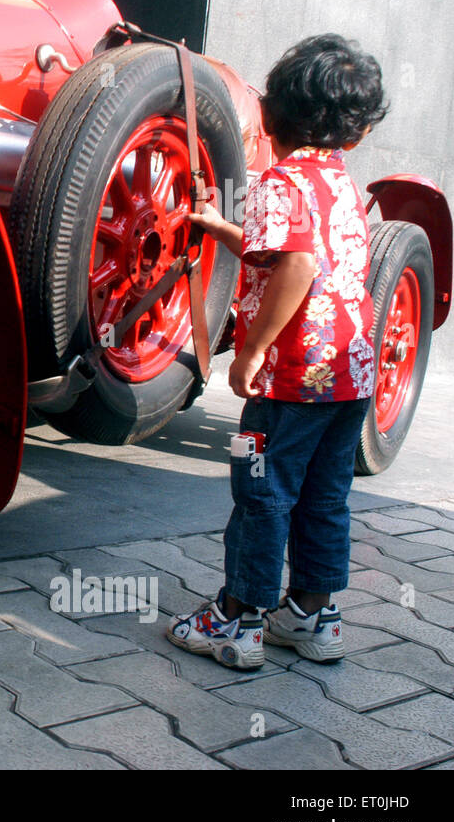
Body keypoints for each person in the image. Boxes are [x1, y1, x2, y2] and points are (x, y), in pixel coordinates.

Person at [166, 33, 389, 669]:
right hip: (349, 379)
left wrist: (251, 351)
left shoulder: (277, 181)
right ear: (359, 133)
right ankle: (313, 615)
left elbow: (294, 265)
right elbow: (282, 250)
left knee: (261, 491)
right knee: (325, 495)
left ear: (267, 114)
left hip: (290, 381)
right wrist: (220, 227)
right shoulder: (341, 183)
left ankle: (238, 620)